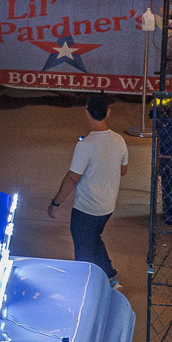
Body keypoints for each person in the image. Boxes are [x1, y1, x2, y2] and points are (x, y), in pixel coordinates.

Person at [50, 94, 129, 286]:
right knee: (94, 237)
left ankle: (84, 287)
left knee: (84, 251)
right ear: (108, 113)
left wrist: (55, 203)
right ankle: (110, 277)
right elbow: (123, 170)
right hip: (107, 207)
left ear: (87, 113)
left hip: (86, 209)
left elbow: (72, 179)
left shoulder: (85, 145)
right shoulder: (119, 140)